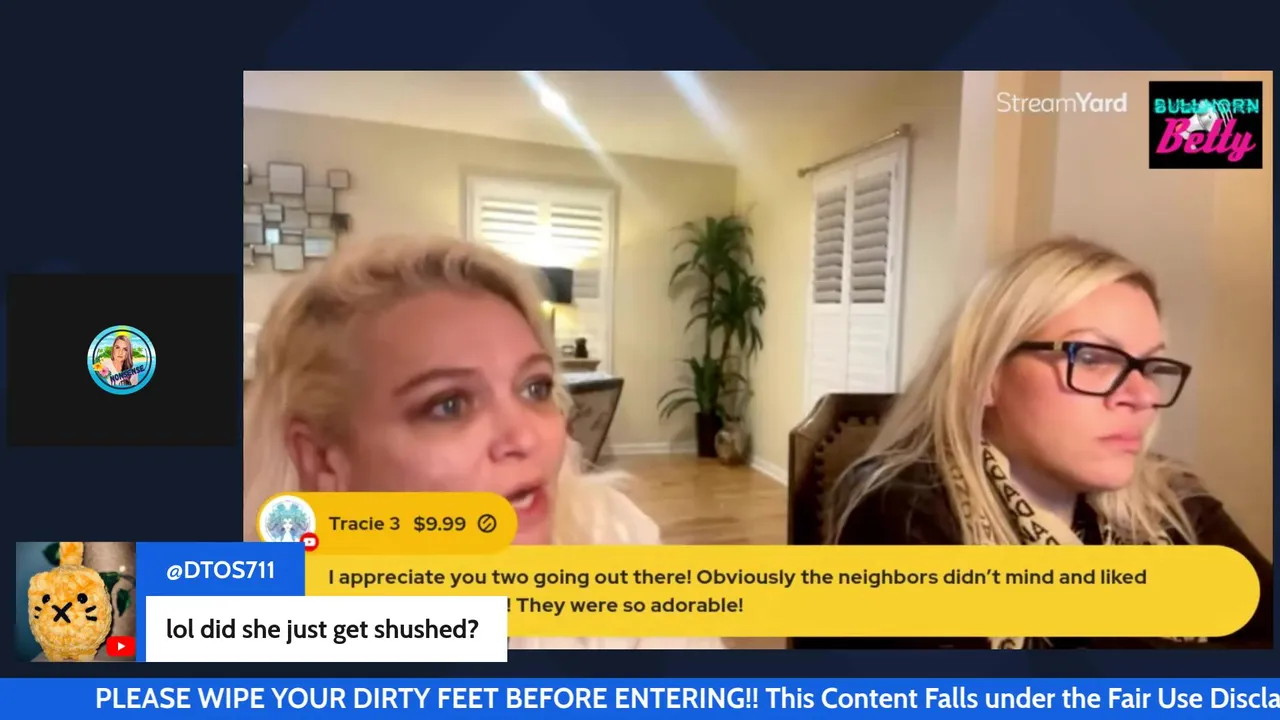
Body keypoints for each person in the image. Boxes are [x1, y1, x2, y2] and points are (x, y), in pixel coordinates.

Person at [243, 234, 721, 650]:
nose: (525, 437)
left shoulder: (611, 538)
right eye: (448, 405)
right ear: (323, 461)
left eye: (535, 388)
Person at [820, 237, 1272, 650]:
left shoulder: (1170, 500)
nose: (1143, 395)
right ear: (985, 375)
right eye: (1092, 357)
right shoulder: (905, 512)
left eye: (1150, 367)